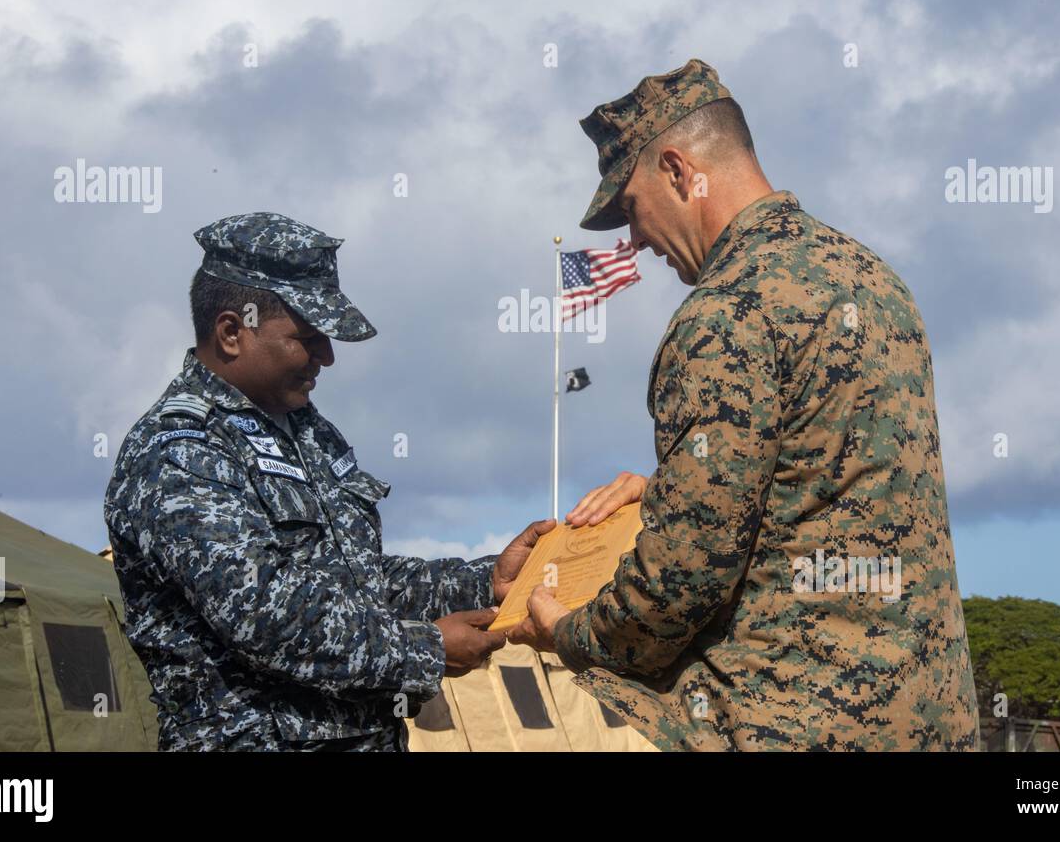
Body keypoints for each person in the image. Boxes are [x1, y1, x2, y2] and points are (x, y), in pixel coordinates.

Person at [510, 59, 980, 751]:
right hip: (933, 719)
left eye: (631, 210)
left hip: (787, 723)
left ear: (677, 172)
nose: (632, 241)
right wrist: (668, 487)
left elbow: (674, 588)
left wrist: (567, 628)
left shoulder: (723, 312)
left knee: (539, 700)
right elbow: (825, 484)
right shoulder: (877, 280)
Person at [104, 213, 553, 751]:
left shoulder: (308, 432)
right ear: (231, 332)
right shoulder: (179, 450)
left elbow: (355, 581)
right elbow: (265, 614)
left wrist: (483, 583)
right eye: (309, 339)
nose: (328, 357)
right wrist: (427, 649)